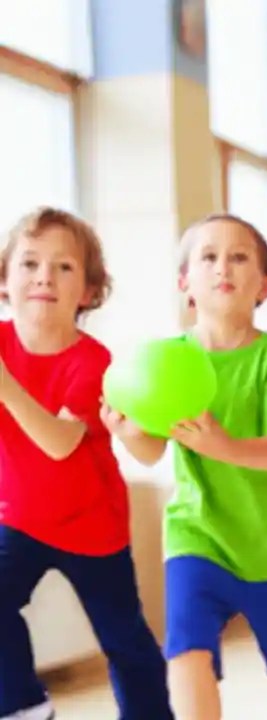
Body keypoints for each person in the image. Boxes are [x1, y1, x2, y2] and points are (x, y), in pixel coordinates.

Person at [106, 215, 267, 720]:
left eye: (240, 257)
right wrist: (127, 432)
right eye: (208, 256)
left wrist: (221, 445)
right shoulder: (166, 360)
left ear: (266, 284)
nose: (223, 266)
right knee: (186, 645)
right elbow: (154, 451)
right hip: (197, 532)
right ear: (185, 284)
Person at [0, 207, 173, 720]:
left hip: (92, 526)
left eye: (64, 267)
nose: (44, 277)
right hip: (20, 518)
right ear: (5, 282)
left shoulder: (91, 362)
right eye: (29, 263)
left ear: (90, 292)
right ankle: (23, 706)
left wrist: (6, 387)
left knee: (124, 640)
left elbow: (58, 442)